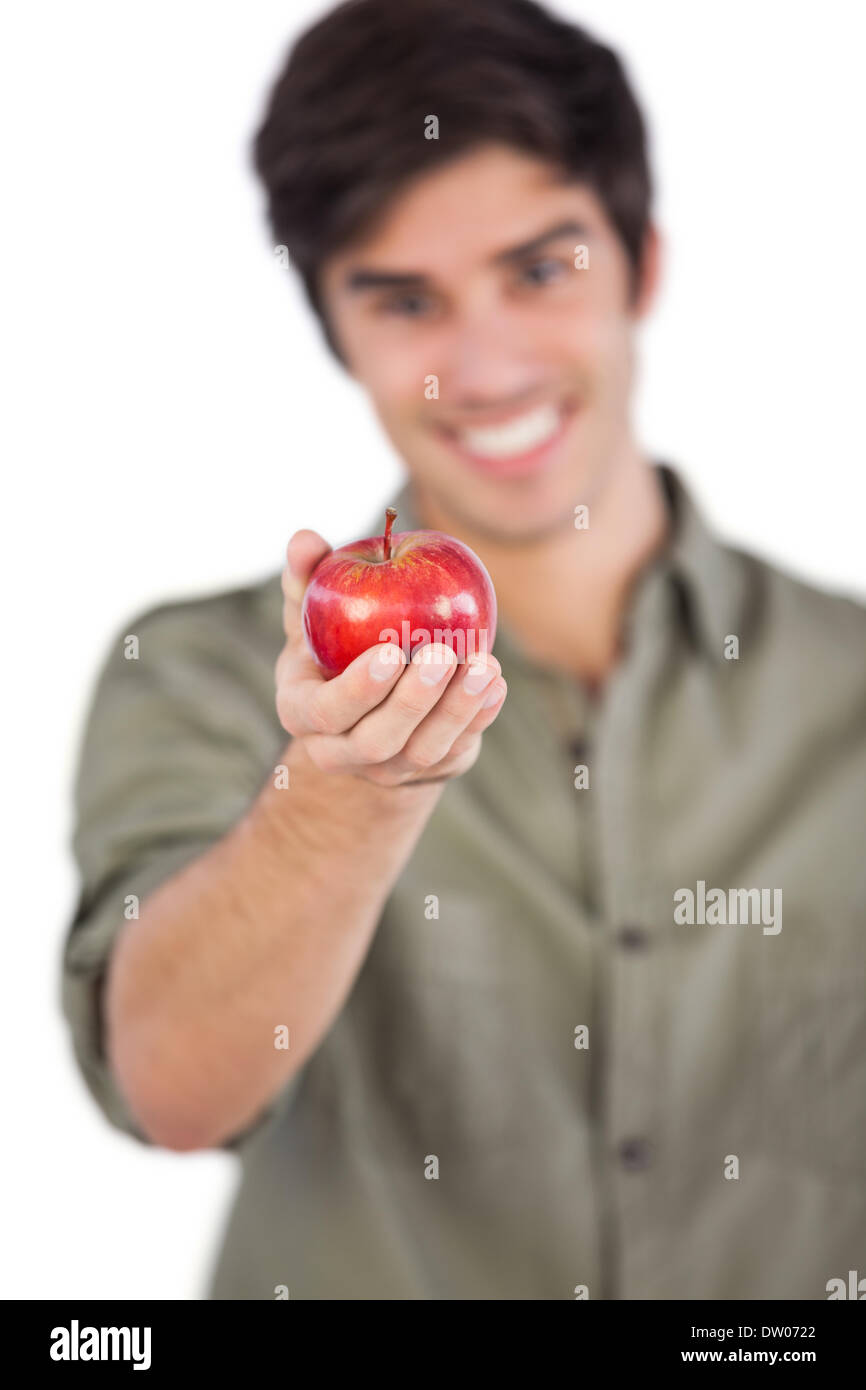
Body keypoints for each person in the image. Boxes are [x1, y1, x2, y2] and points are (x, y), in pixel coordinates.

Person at [61, 0, 866, 1300]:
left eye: (539, 269)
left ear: (641, 264)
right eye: (403, 301)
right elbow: (170, 1090)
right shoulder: (197, 673)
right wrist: (338, 802)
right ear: (335, 330)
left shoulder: (850, 686)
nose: (480, 366)